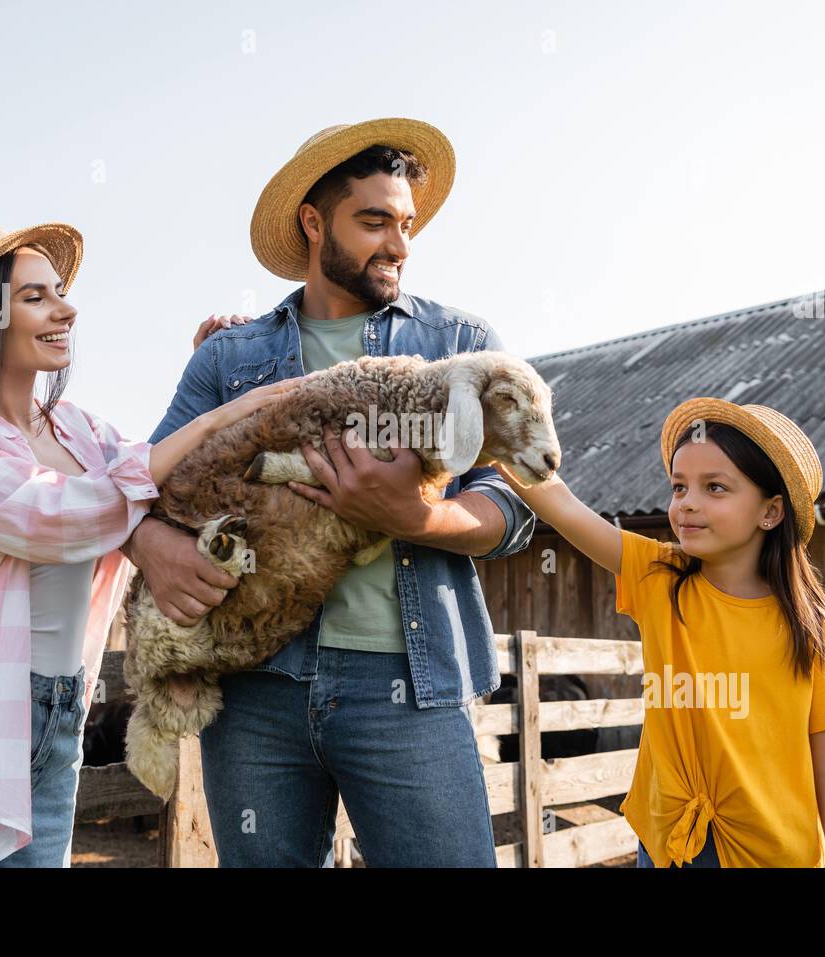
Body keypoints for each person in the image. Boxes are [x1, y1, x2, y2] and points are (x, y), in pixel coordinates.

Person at [122, 118, 537, 866]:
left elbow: (511, 511)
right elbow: (140, 483)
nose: (399, 244)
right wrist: (151, 546)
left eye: (406, 224)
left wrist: (416, 516)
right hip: (257, 690)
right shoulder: (230, 356)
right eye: (375, 220)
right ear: (315, 223)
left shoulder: (458, 343)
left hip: (411, 681)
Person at [0, 216, 293, 867]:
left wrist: (207, 373)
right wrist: (222, 415)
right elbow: (58, 514)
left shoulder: (76, 430)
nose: (66, 308)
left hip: (55, 727)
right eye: (36, 296)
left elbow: (161, 483)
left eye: (60, 291)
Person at [495, 398, 825, 867]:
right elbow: (563, 507)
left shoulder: (812, 627)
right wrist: (496, 436)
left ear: (771, 512)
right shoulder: (658, 576)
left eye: (715, 487)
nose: (687, 502)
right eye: (679, 487)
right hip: (669, 845)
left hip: (775, 854)